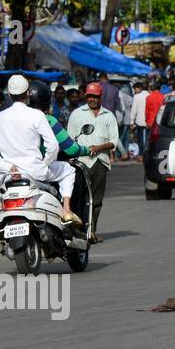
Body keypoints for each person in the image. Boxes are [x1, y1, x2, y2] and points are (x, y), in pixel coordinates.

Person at [0, 75, 82, 225]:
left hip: (9, 175)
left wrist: (8, 167)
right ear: (27, 93)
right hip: (35, 172)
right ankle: (66, 210)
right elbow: (53, 146)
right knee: (68, 170)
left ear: (9, 94)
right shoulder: (37, 115)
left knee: (0, 191)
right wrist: (45, 163)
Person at [66, 82, 120, 243]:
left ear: (100, 97)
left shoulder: (108, 116)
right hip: (80, 162)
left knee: (96, 200)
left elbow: (113, 141)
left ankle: (92, 231)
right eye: (89, 96)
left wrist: (99, 147)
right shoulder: (77, 114)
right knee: (79, 198)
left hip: (100, 161)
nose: (92, 99)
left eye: (95, 96)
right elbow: (69, 140)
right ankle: (78, 231)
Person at [130, 81, 150, 161]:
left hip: (140, 121)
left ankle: (141, 154)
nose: (135, 91)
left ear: (140, 88)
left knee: (141, 139)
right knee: (148, 138)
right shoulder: (148, 94)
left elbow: (134, 109)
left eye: (135, 89)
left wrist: (132, 121)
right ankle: (147, 154)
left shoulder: (136, 96)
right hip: (148, 121)